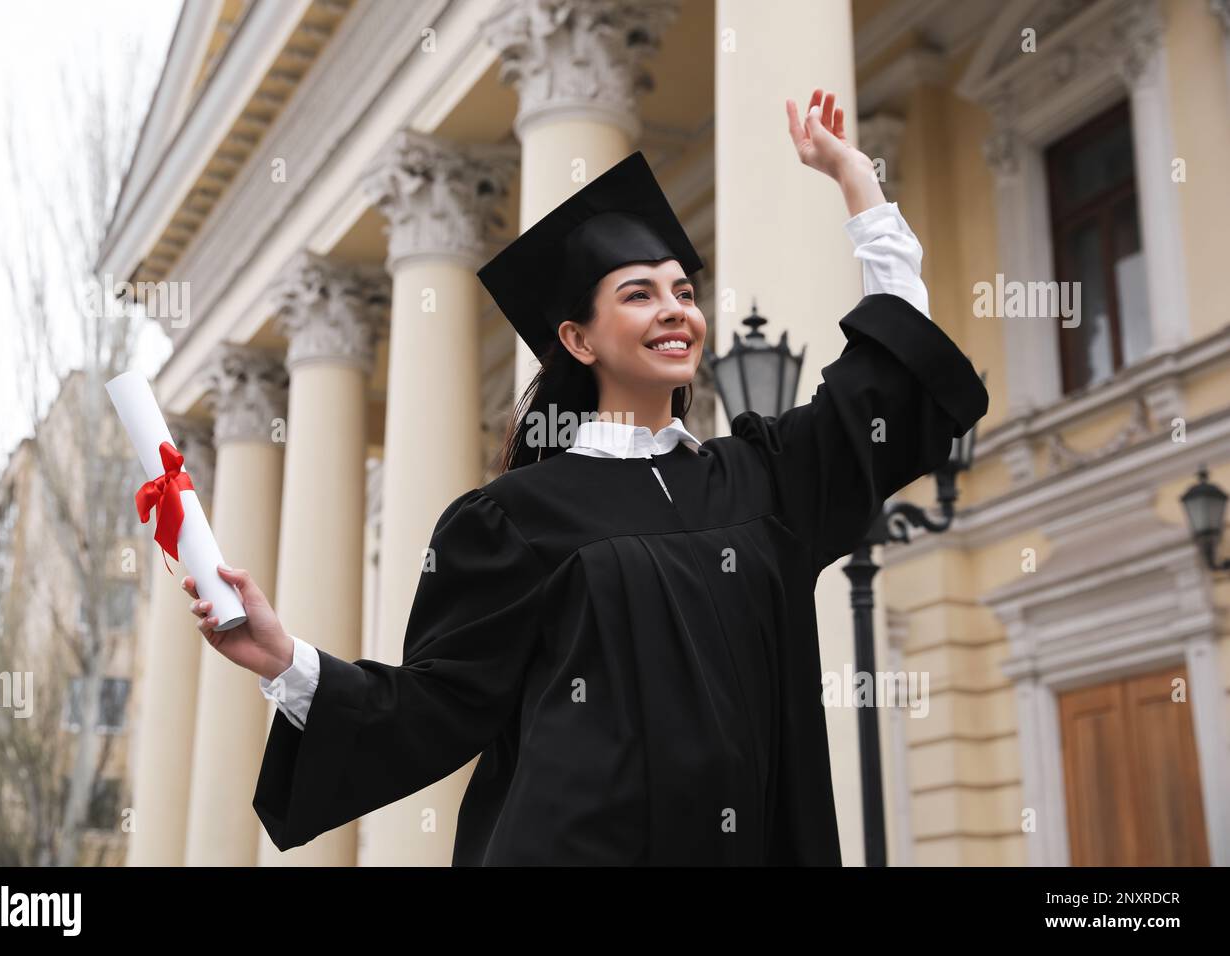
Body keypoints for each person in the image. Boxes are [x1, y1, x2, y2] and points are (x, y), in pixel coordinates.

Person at [181, 88, 988, 865]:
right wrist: (286, 660)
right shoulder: (513, 521)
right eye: (640, 295)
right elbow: (435, 706)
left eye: (683, 292)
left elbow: (883, 380)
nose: (676, 309)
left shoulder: (762, 479)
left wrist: (856, 181)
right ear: (577, 339)